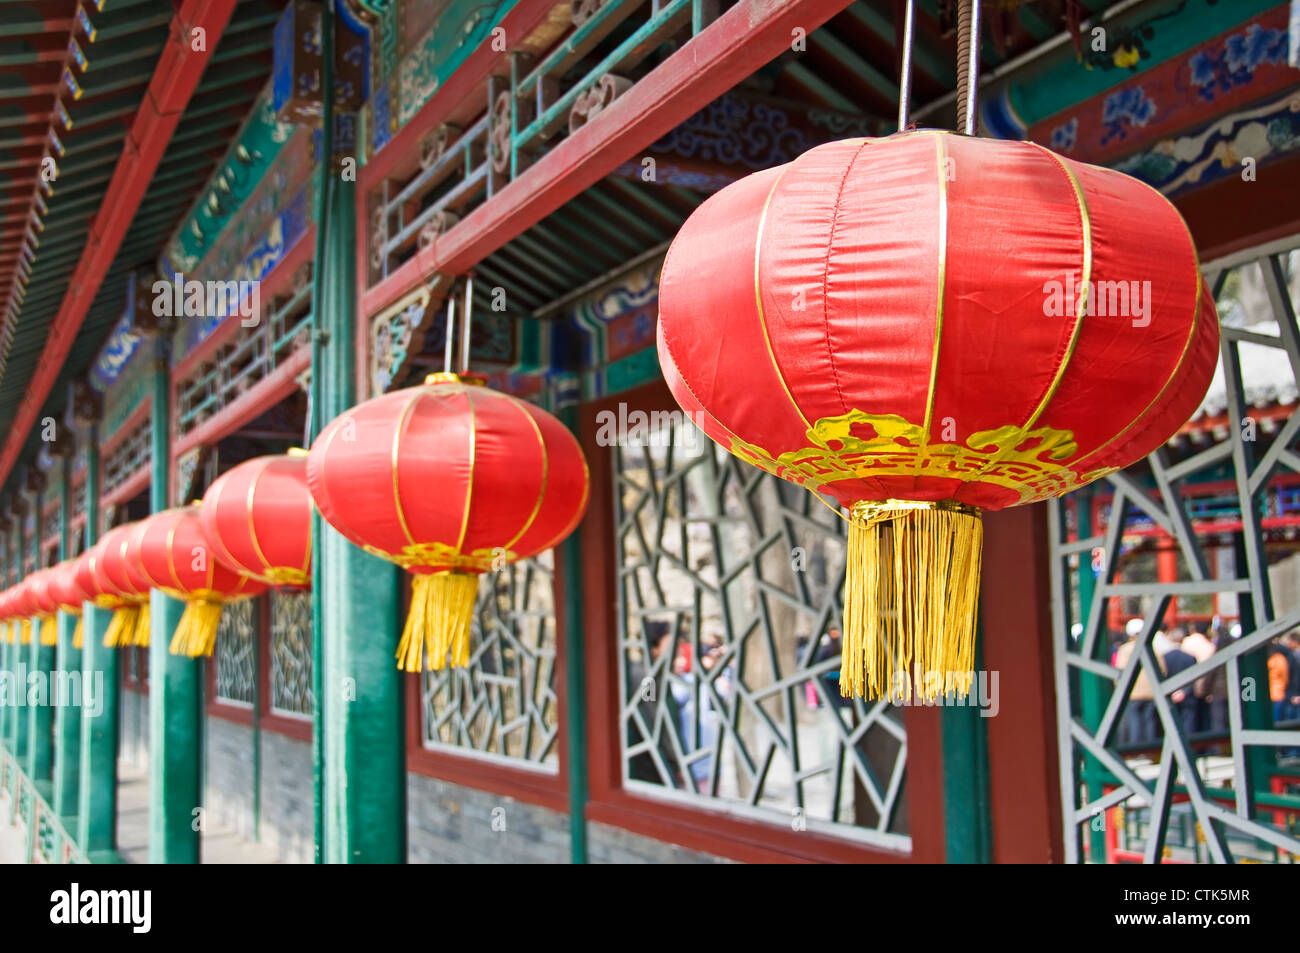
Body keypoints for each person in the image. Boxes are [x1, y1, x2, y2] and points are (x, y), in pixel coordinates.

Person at [1160, 627, 1200, 739]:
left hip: (1170, 693)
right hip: (1187, 694)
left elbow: (1163, 675)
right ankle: (1189, 746)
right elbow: (1194, 677)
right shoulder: (1190, 657)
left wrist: (1172, 692)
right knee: (1189, 722)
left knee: (1172, 723)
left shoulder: (1165, 657)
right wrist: (1184, 692)